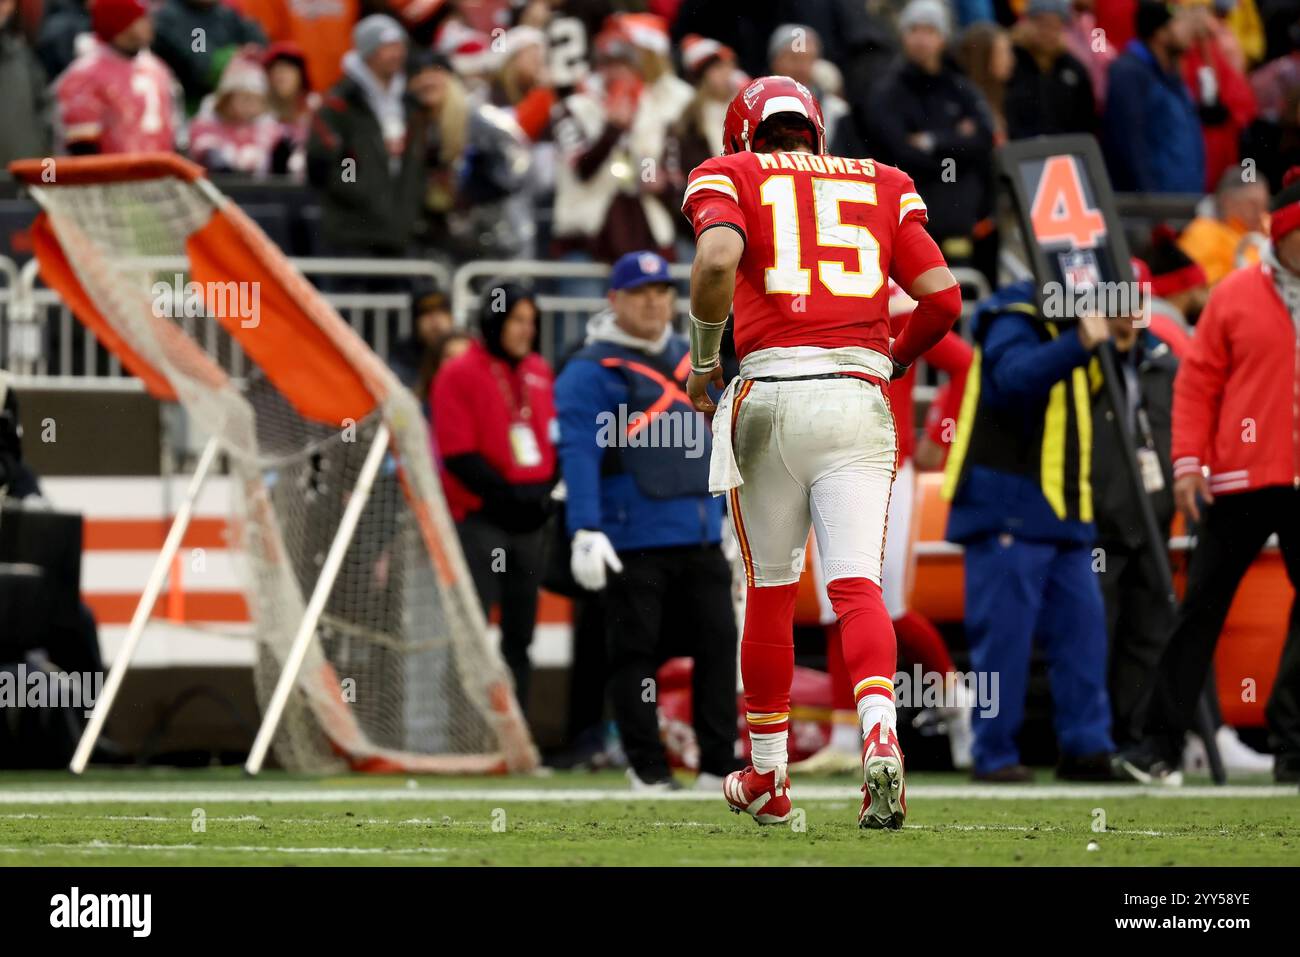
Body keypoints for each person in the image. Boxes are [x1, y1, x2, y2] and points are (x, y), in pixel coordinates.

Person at [683, 76, 962, 828]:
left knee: (771, 587)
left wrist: (706, 360)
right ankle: (880, 731)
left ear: (743, 133)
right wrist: (893, 361)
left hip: (770, 391)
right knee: (857, 589)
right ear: (814, 129)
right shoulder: (884, 181)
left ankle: (770, 777)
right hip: (857, 397)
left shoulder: (730, 172)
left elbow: (714, 263)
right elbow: (942, 299)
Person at [1118, 167, 1300, 785]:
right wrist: (1189, 465)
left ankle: (1293, 740)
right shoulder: (1235, 293)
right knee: (1199, 612)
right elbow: (1197, 386)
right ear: (1284, 236)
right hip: (1240, 479)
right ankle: (1156, 745)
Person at [553, 250, 738, 791]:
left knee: (719, 647)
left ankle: (717, 766)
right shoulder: (590, 369)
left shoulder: (693, 358)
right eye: (640, 293)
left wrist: (731, 516)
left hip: (702, 533)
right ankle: (648, 769)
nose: (654, 303)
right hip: (631, 537)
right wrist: (584, 528)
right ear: (615, 300)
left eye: (661, 292)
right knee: (635, 655)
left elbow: (721, 443)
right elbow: (580, 454)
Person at [942, 282, 1118, 782]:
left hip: (1065, 510)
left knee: (1082, 634)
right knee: (1004, 641)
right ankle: (994, 753)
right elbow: (1012, 380)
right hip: (1006, 506)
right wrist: (1077, 344)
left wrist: (1116, 343)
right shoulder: (1011, 313)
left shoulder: (1082, 323)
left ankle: (1087, 747)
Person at [431, 283, 556, 711]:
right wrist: (512, 497)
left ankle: (515, 731)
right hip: (481, 520)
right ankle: (463, 728)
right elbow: (458, 455)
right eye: (518, 320)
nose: (527, 330)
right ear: (495, 321)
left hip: (528, 524)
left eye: (532, 321)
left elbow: (553, 442)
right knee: (473, 629)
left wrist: (540, 494)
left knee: (520, 636)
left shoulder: (539, 370)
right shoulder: (459, 372)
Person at [866, 0, 996, 281]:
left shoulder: (959, 86)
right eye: (914, 29)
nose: (921, 39)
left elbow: (985, 138)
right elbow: (898, 152)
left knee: (966, 291)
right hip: (911, 218)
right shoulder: (887, 91)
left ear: (943, 37)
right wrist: (958, 145)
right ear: (903, 35)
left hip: (964, 217)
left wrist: (932, 141)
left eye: (930, 30)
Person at [306, 15, 428, 262]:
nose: (397, 53)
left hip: (400, 234)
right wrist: (356, 189)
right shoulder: (340, 103)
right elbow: (322, 162)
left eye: (399, 45)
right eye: (388, 47)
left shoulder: (410, 104)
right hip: (352, 236)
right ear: (368, 52)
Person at [1103, 2, 1206, 193]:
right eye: (1179, 23)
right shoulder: (1129, 73)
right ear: (1160, 33)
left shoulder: (1171, 74)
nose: (1188, 30)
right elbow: (1130, 145)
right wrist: (1149, 200)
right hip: (1154, 207)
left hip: (1183, 201)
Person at [54, 0, 178, 154]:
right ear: (121, 25)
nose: (149, 23)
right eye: (140, 18)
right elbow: (81, 143)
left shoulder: (156, 68)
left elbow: (174, 128)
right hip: (113, 174)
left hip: (161, 172)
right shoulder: (86, 74)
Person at [151, 0, 266, 115]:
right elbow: (202, 64)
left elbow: (256, 40)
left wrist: (251, 51)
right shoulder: (169, 16)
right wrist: (236, 57)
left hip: (229, 107)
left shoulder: (224, 12)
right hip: (186, 107)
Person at [1004, 0, 1097, 139]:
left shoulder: (1074, 69)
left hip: (1065, 153)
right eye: (1042, 24)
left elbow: (1086, 121)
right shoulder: (1010, 63)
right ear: (1028, 23)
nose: (1048, 32)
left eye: (1055, 26)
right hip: (1021, 151)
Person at [188, 55, 289, 177]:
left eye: (257, 100)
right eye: (246, 99)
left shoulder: (267, 128)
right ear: (227, 98)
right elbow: (202, 147)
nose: (251, 105)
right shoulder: (208, 124)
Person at [1179, 167, 1270, 285]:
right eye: (1252, 204)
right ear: (1227, 202)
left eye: (1264, 204)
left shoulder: (1267, 228)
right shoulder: (1203, 235)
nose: (1260, 212)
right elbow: (1205, 289)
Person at [0, 0, 49, 167]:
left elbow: (45, 110)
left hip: (23, 177)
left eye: (7, 2)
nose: (4, 8)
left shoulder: (21, 55)